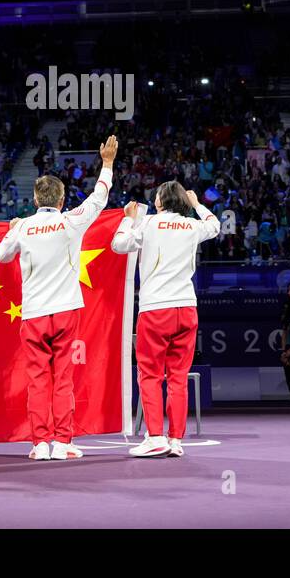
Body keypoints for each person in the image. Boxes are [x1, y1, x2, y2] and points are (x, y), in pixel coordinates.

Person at [0, 136, 117, 460]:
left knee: (37, 380)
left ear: (35, 199)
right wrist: (106, 163)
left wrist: (12, 228)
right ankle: (62, 443)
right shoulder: (70, 221)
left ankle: (40, 444)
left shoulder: (23, 227)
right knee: (62, 378)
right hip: (65, 311)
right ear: (62, 200)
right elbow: (99, 198)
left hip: (34, 314)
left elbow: (2, 256)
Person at [113, 182, 220, 458]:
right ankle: (175, 439)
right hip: (186, 309)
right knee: (178, 378)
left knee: (150, 375)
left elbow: (118, 244)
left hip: (156, 309)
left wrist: (128, 219)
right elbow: (215, 226)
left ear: (160, 201)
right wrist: (197, 205)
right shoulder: (192, 225)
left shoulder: (148, 223)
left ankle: (155, 437)